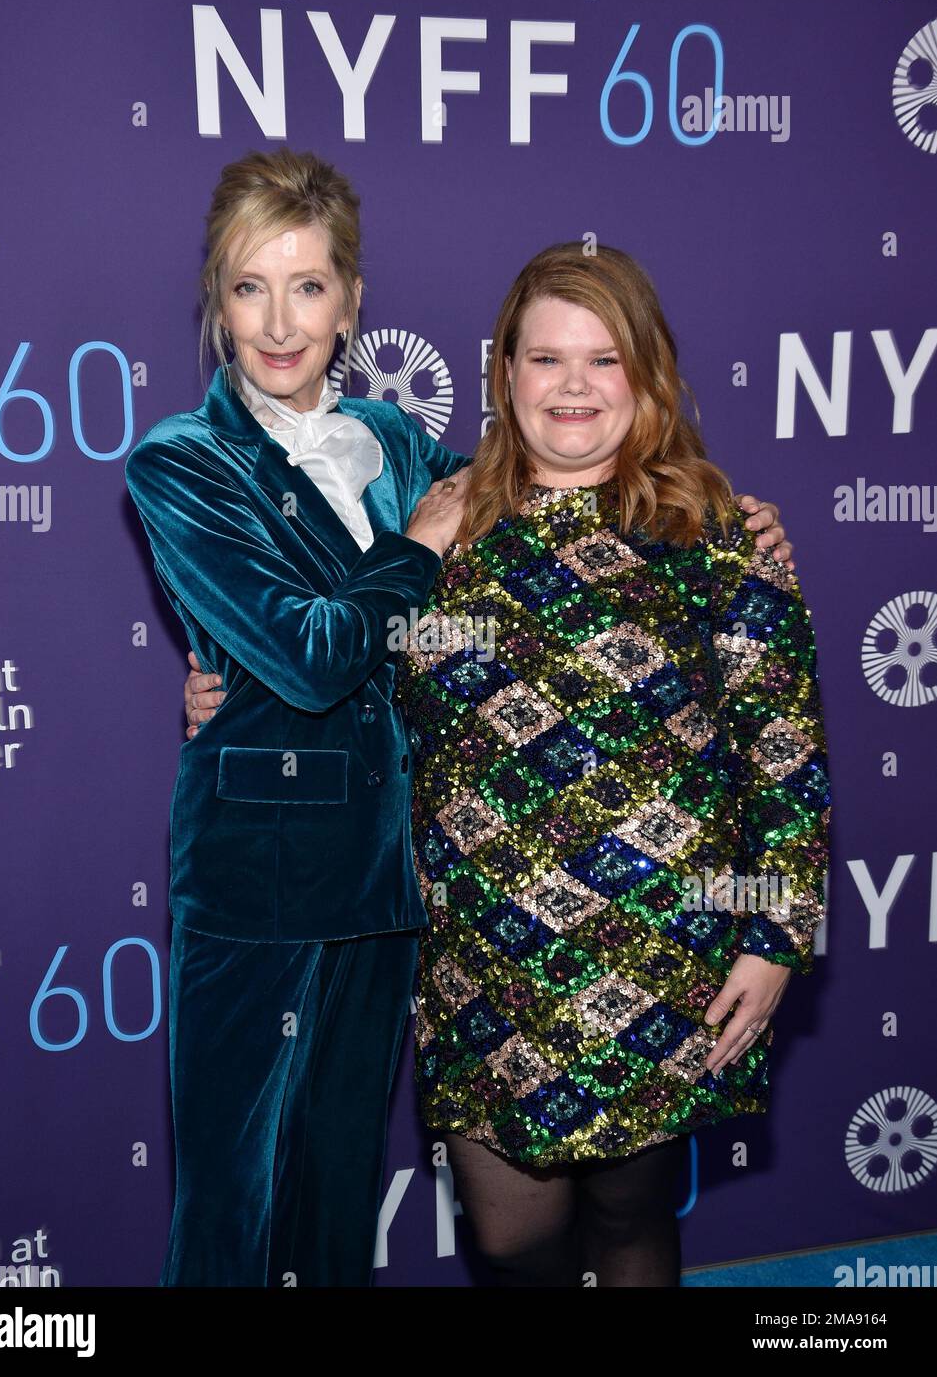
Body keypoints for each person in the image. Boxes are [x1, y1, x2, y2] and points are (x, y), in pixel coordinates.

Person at [171, 178, 804, 1286]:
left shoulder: (719, 533)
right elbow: (349, 673)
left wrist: (773, 935)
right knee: (512, 1248)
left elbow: (784, 756)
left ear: (644, 375)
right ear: (501, 376)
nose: (573, 386)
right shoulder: (448, 527)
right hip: (482, 964)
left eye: (603, 359)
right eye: (545, 358)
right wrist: (228, 692)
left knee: (632, 1219)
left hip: (662, 955)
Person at [125, 146, 471, 1287]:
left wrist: (713, 515)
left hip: (384, 882)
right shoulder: (181, 462)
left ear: (354, 299)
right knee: (232, 1209)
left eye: (309, 286)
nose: (279, 323)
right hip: (256, 877)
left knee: (333, 1206)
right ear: (215, 302)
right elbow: (314, 657)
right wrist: (419, 547)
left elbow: (552, 510)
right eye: (248, 287)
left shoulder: (407, 445)